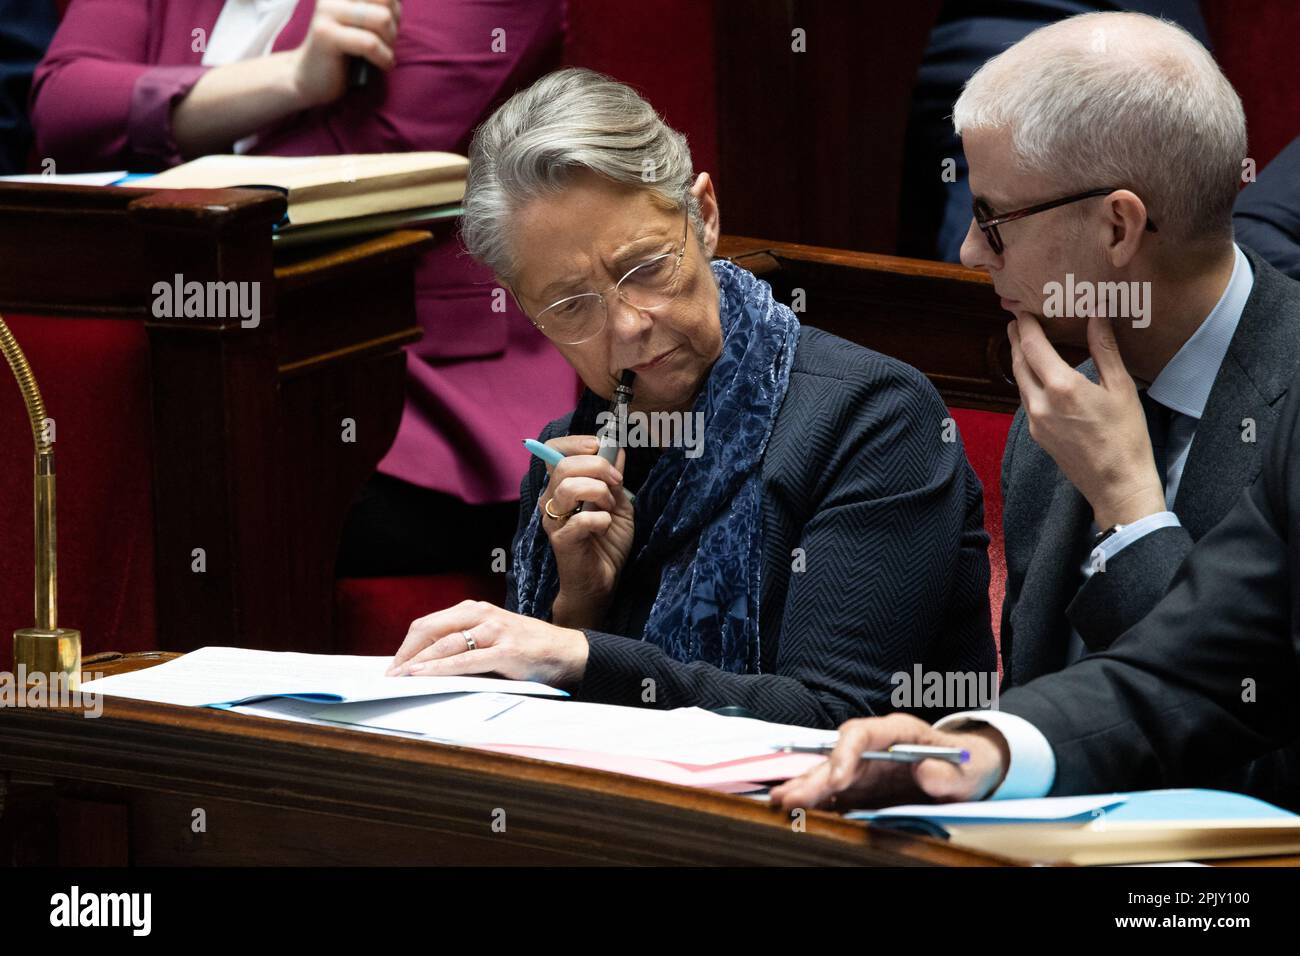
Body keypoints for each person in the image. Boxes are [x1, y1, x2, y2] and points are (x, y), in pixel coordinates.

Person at [386, 69, 996, 728]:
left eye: (647, 270)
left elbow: (832, 719)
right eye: (569, 306)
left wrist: (579, 652)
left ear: (704, 217)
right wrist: (581, 606)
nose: (626, 326)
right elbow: (539, 732)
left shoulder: (875, 418)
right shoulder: (567, 463)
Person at [30, 0, 578, 576]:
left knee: (189, 500)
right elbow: (63, 108)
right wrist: (290, 78)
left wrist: (147, 122)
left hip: (395, 385)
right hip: (150, 353)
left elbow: (335, 170)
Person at [951, 14, 1300, 694]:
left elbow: (1262, 748)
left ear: (1117, 227)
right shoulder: (1059, 409)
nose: (968, 252)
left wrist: (1129, 507)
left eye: (991, 221)